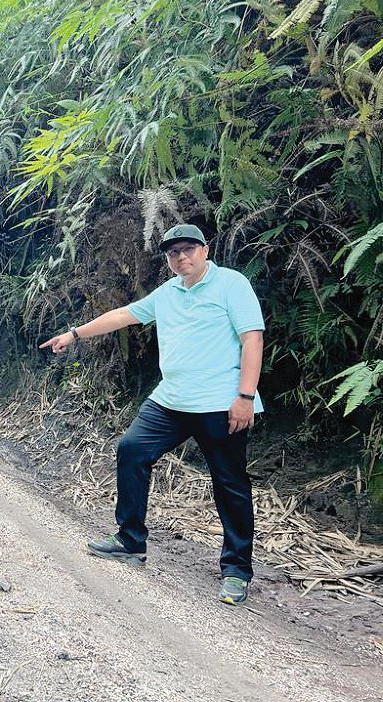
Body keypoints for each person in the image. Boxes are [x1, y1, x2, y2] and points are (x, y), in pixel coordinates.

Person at [39, 224, 264, 606]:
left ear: (205, 250)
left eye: (188, 249)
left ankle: (237, 570)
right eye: (173, 252)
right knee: (132, 450)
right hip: (170, 401)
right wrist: (74, 334)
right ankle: (130, 540)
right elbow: (124, 315)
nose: (181, 257)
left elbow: (252, 338)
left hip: (219, 403)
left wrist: (245, 396)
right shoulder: (168, 292)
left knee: (230, 485)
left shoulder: (231, 284)